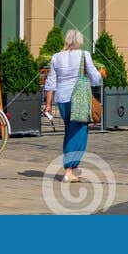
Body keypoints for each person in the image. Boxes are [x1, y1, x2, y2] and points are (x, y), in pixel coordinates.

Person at [44, 29, 102, 182]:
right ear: (79, 41)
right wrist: (100, 75)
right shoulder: (84, 55)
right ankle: (69, 170)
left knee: (70, 131)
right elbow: (95, 78)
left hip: (62, 98)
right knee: (79, 132)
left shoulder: (56, 57)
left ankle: (72, 169)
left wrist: (48, 104)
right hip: (79, 99)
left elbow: (51, 82)